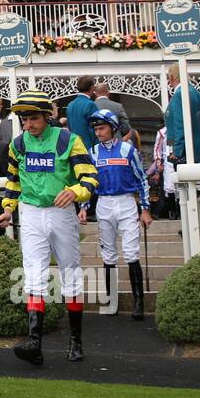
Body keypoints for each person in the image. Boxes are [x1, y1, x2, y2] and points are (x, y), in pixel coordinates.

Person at [0, 90, 98, 365]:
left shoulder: (69, 140)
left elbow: (90, 176)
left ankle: (76, 341)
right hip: (30, 212)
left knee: (70, 271)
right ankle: (34, 343)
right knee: (33, 273)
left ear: (47, 116)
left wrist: (76, 192)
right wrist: (8, 208)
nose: (28, 126)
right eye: (23, 120)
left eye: (32, 119)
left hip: (61, 212)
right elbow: (13, 180)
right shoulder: (18, 145)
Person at [78, 110, 152, 319]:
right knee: (108, 254)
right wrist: (83, 207)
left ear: (113, 128)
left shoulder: (128, 150)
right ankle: (111, 301)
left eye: (102, 128)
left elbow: (142, 179)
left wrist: (145, 209)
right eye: (96, 129)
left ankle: (139, 304)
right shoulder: (92, 152)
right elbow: (88, 182)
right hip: (103, 204)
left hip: (127, 202)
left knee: (131, 253)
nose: (98, 132)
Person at [165, 63, 200, 164]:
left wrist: (176, 151)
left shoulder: (179, 94)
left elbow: (179, 125)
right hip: (198, 148)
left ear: (171, 77)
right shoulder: (196, 93)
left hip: (186, 152)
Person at [65, 75, 99, 151]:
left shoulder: (70, 105)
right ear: (91, 87)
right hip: (89, 148)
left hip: (74, 147)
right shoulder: (90, 104)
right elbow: (95, 129)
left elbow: (69, 127)